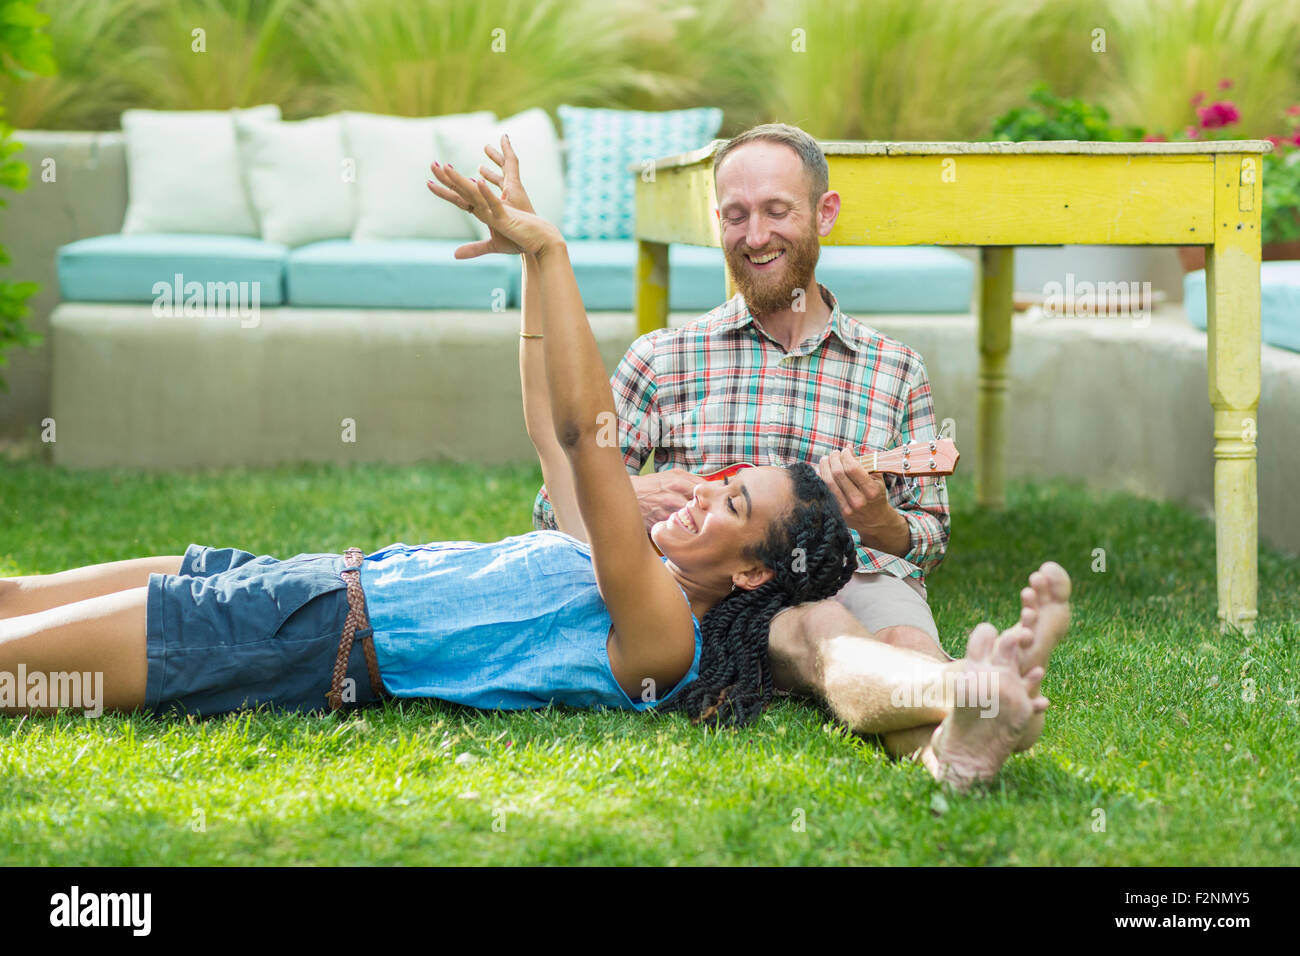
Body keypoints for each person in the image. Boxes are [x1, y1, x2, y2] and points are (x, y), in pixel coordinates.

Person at [529, 122, 1074, 763]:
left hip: (856, 575)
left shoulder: (895, 369)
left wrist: (880, 522)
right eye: (736, 216)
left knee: (900, 634)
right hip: (720, 595)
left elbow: (927, 542)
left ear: (825, 213)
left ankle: (954, 748)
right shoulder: (663, 357)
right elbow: (555, 511)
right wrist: (636, 490)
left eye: (775, 211)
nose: (755, 236)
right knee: (824, 637)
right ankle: (980, 689)